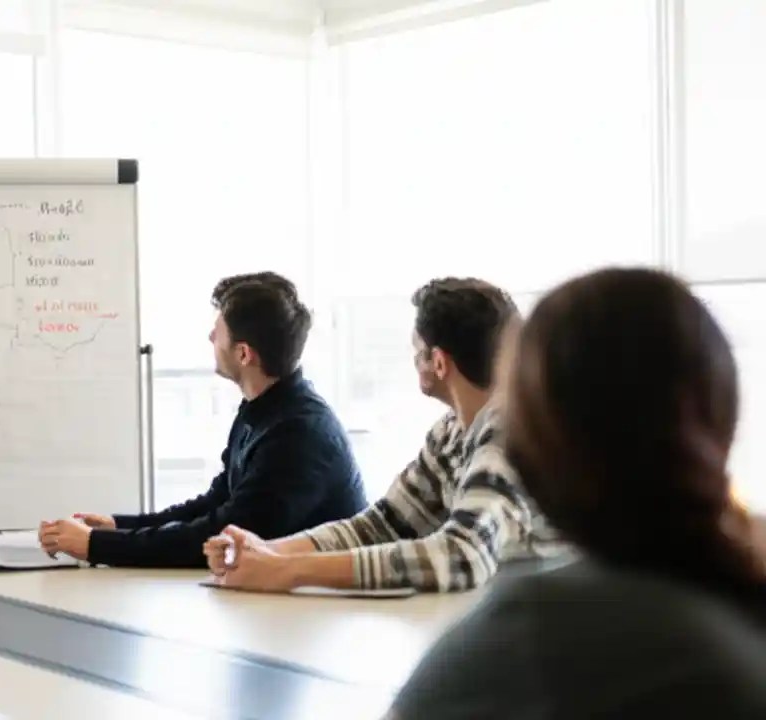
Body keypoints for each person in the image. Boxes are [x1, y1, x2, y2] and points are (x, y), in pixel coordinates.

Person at [389, 268, 766, 719]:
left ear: (534, 446)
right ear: (725, 418)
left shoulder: (506, 651)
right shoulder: (738, 596)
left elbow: (459, 555)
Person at [205, 277, 560, 593]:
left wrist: (288, 571)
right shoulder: (450, 433)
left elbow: (460, 557)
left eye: (416, 351)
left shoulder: (509, 435)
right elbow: (383, 525)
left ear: (438, 362)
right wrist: (266, 551)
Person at [39, 272, 366, 568]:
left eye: (218, 331)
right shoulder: (263, 410)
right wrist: (117, 526)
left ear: (243, 354)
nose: (210, 336)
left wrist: (95, 545)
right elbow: (216, 503)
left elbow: (222, 537)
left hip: (319, 609)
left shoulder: (300, 435)